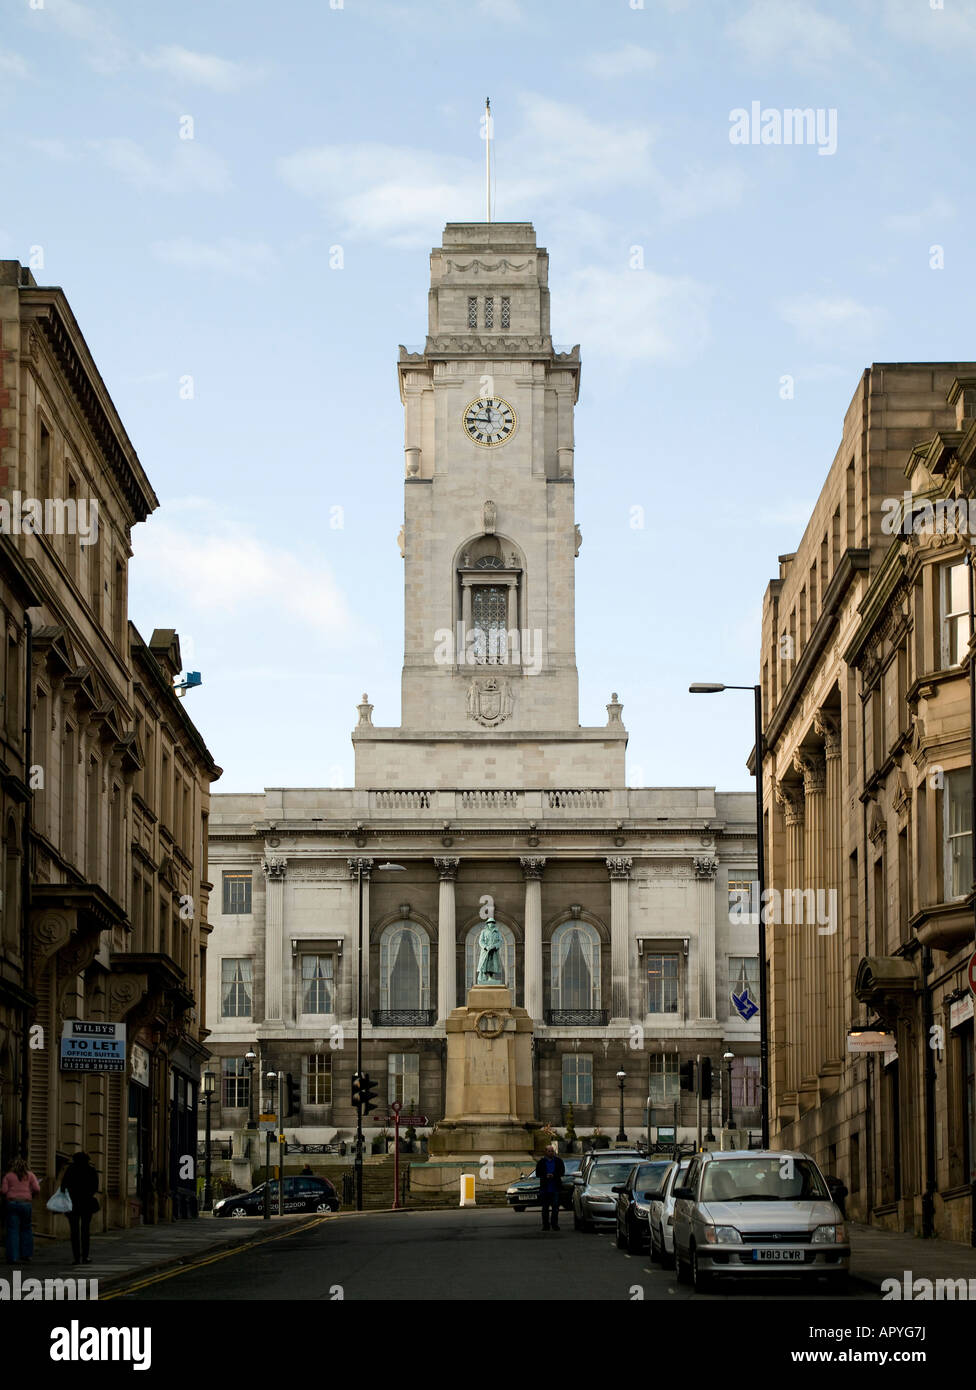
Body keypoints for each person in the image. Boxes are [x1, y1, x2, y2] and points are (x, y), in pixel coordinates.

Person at [60, 1152, 99, 1265]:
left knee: (74, 1232)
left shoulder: (70, 1170)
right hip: (87, 1203)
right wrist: (87, 1194)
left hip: (73, 1204)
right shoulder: (91, 1170)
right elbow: (95, 1187)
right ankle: (85, 1257)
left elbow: (63, 1187)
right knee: (85, 1231)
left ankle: (76, 1258)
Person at [2, 1157, 40, 1263]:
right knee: (26, 1229)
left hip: (12, 1203)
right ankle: (26, 1255)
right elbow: (37, 1189)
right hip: (26, 1203)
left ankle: (13, 1257)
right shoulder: (30, 1175)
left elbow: (4, 1190)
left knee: (12, 1230)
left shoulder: (8, 1176)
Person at [535, 1144, 565, 1232]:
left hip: (555, 1188)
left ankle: (555, 1224)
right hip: (545, 1188)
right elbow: (538, 1173)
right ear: (545, 1152)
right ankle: (545, 1225)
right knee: (545, 1208)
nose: (551, 1153)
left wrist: (554, 1175)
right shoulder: (541, 1162)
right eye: (549, 1151)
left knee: (555, 1208)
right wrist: (546, 1175)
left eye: (552, 1151)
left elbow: (562, 1172)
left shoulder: (558, 1161)